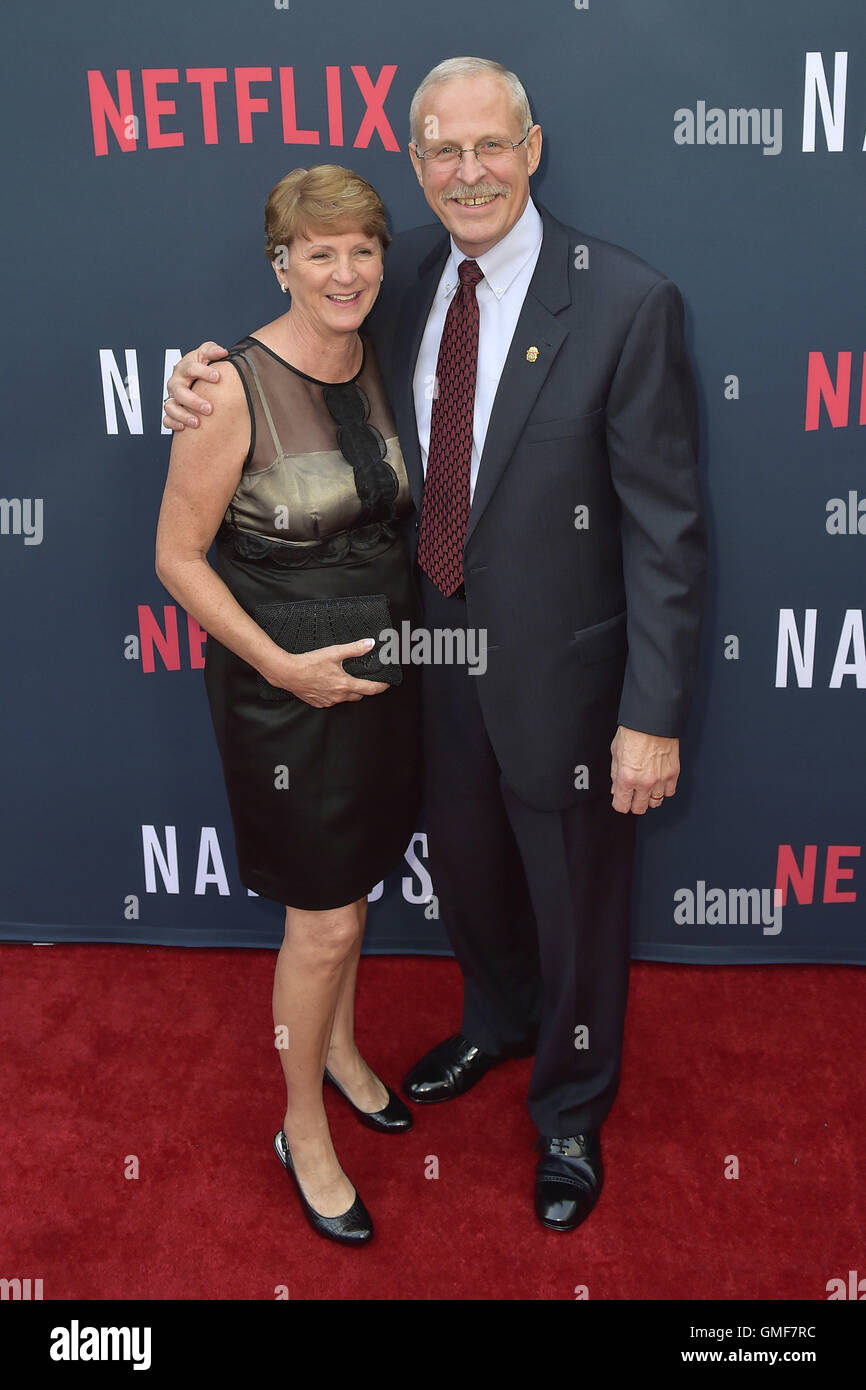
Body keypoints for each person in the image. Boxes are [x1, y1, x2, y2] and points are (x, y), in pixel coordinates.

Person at [164, 57, 707, 1234]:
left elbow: (668, 532)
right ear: (414, 164)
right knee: (465, 870)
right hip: (421, 664)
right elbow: (293, 357)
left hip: (565, 674)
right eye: (440, 151)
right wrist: (194, 379)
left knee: (571, 899)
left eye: (489, 146)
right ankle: (496, 1021)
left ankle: (568, 1105)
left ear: (532, 148)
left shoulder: (623, 300)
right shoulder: (395, 268)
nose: (467, 172)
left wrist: (651, 711)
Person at [155, 164, 421, 1247]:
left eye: (361, 249)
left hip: (380, 678)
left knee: (353, 893)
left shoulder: (374, 359)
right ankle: (299, 1125)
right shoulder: (224, 385)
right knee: (325, 919)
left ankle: (345, 1056)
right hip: (285, 694)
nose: (345, 270)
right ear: (282, 262)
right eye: (320, 252)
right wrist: (282, 664)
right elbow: (176, 558)